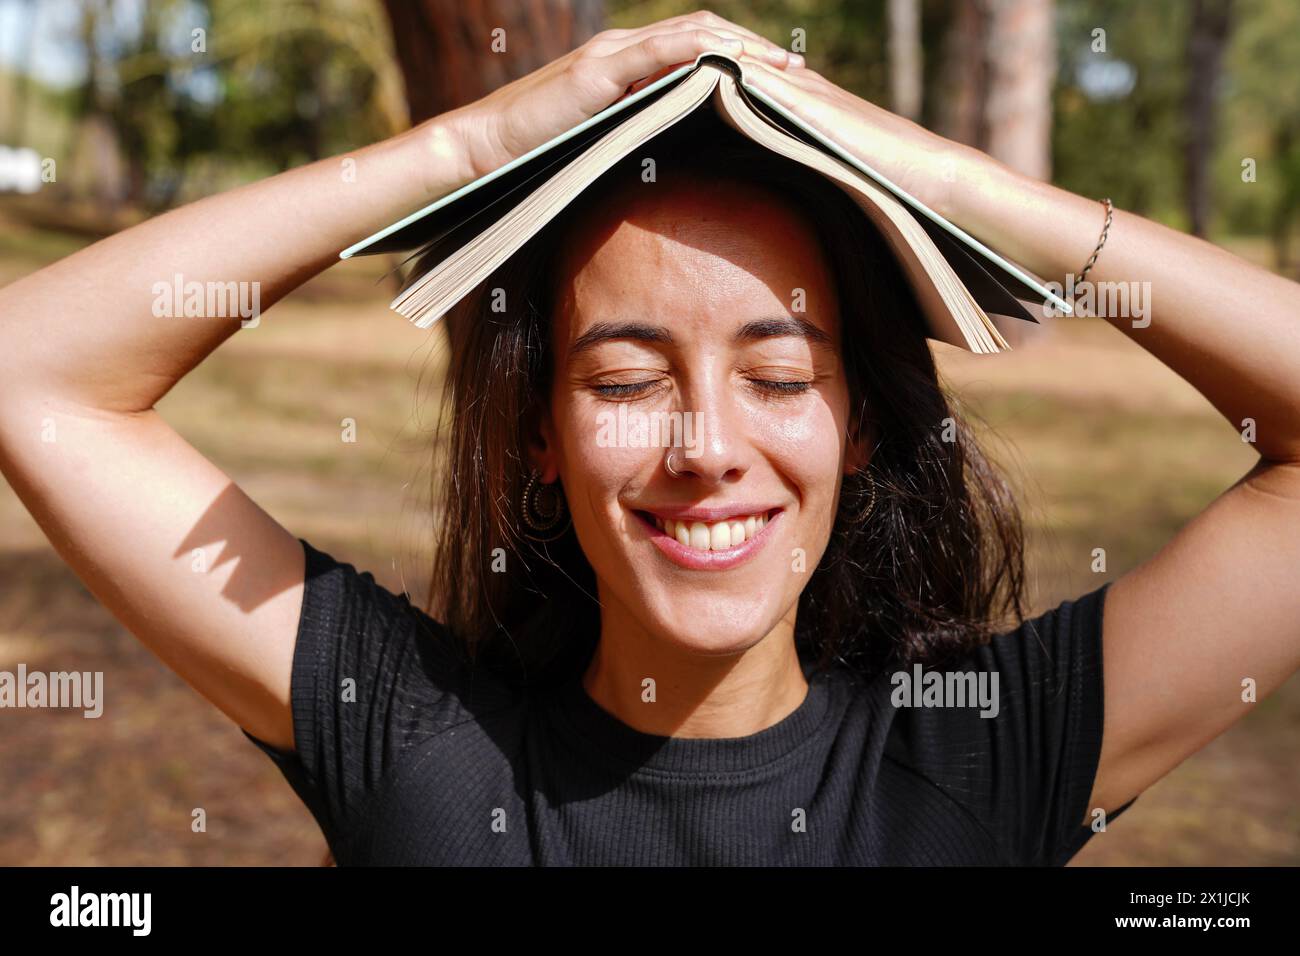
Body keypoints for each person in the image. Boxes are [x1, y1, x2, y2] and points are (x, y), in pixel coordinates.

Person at [1, 11, 1297, 866]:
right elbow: (31, 374)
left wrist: (951, 181)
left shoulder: (978, 758)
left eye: (780, 374)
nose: (707, 444)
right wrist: (476, 142)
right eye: (625, 381)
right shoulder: (430, 756)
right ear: (540, 439)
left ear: (857, 428)